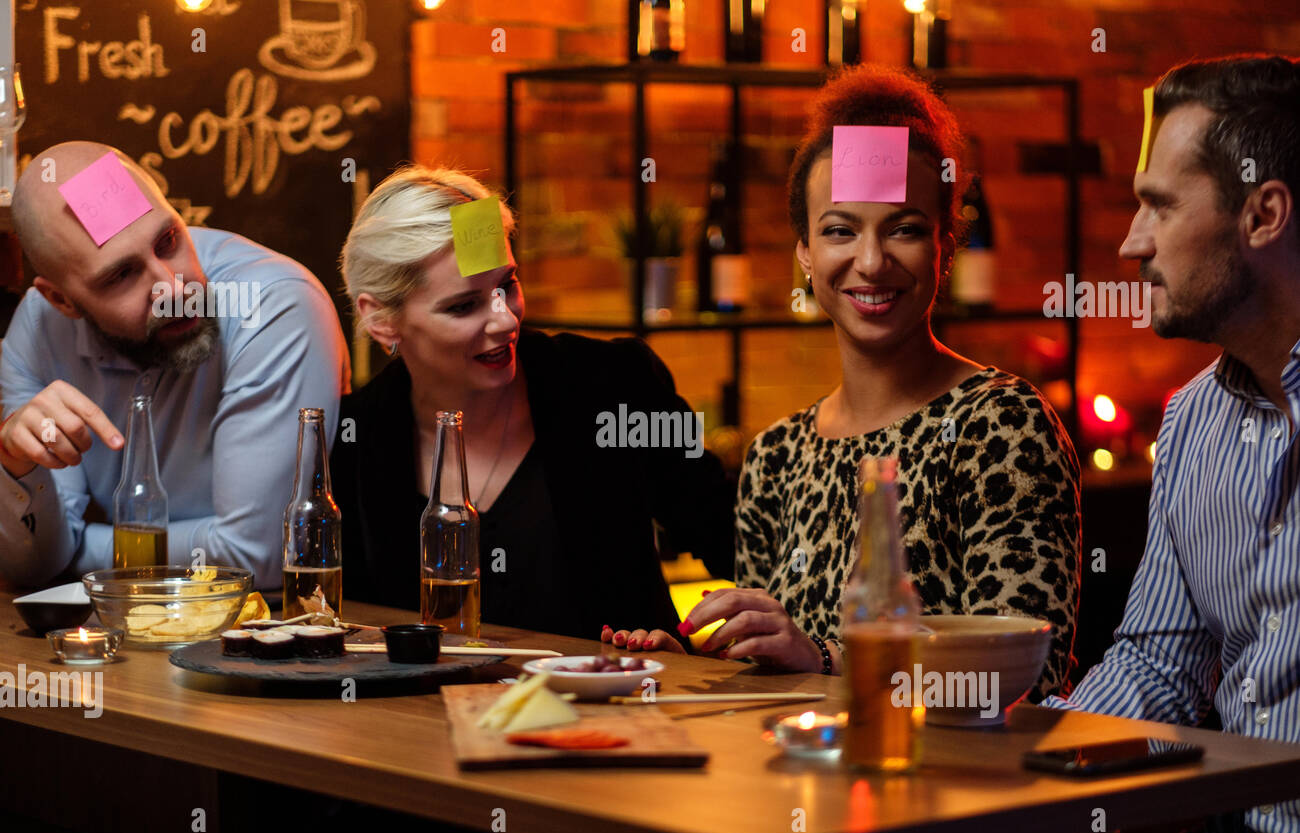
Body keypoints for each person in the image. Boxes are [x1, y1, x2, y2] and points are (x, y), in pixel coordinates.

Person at [606, 65, 1081, 695]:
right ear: (804, 251)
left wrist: (829, 659)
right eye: (839, 230)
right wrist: (695, 665)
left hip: (957, 786)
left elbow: (1028, 668)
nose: (871, 261)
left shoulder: (1001, 422)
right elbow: (779, 677)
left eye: (905, 229)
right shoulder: (776, 456)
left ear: (946, 242)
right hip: (806, 786)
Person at [1041, 54, 1300, 833]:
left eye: (1158, 206)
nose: (1130, 244)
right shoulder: (1191, 423)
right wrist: (1025, 748)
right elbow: (1160, 663)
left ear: (1262, 214)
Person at [330, 165, 733, 641]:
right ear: (380, 320)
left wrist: (693, 653)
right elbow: (350, 630)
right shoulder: (354, 436)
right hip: (423, 715)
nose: (504, 321)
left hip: (619, 708)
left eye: (507, 286)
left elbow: (738, 538)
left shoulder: (614, 385)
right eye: (464, 306)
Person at [0, 142, 350, 589]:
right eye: (121, 275)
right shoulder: (37, 328)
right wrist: (15, 468)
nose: (173, 288)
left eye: (168, 241)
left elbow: (259, 555)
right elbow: (29, 567)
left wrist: (74, 548)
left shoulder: (272, 304)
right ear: (61, 300)